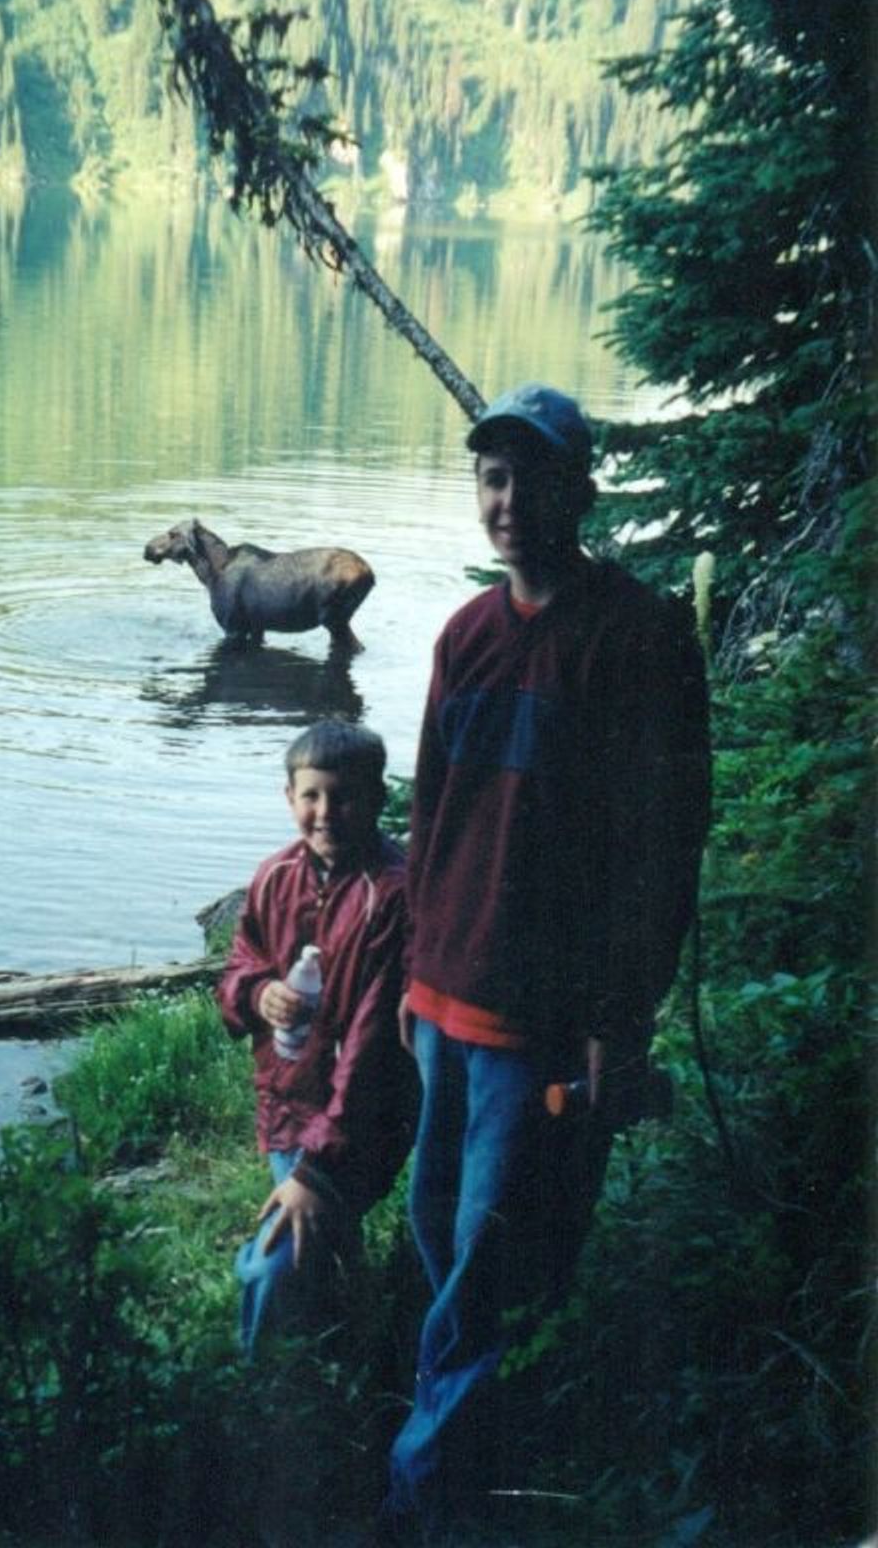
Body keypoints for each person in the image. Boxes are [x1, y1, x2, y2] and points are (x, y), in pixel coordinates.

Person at [383, 383, 711, 1533]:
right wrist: (405, 984)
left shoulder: (639, 637)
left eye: (532, 477)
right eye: (492, 477)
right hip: (442, 1004)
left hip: (544, 1023)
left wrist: (621, 1021)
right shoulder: (464, 639)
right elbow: (428, 822)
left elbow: (661, 853)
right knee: (445, 1241)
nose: (509, 501)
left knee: (491, 1261)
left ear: (580, 489)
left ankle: (424, 1492)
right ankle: (491, 1432)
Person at [217, 719, 416, 1357]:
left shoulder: (393, 893)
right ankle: (341, 1315)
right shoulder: (274, 876)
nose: (325, 812)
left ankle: (262, 1384)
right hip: (287, 1104)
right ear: (289, 798)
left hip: (363, 1122)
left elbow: (374, 1046)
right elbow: (240, 966)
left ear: (378, 799)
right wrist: (255, 994)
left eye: (344, 796)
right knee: (314, 1251)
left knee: (271, 1262)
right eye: (311, 796)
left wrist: (313, 1169)